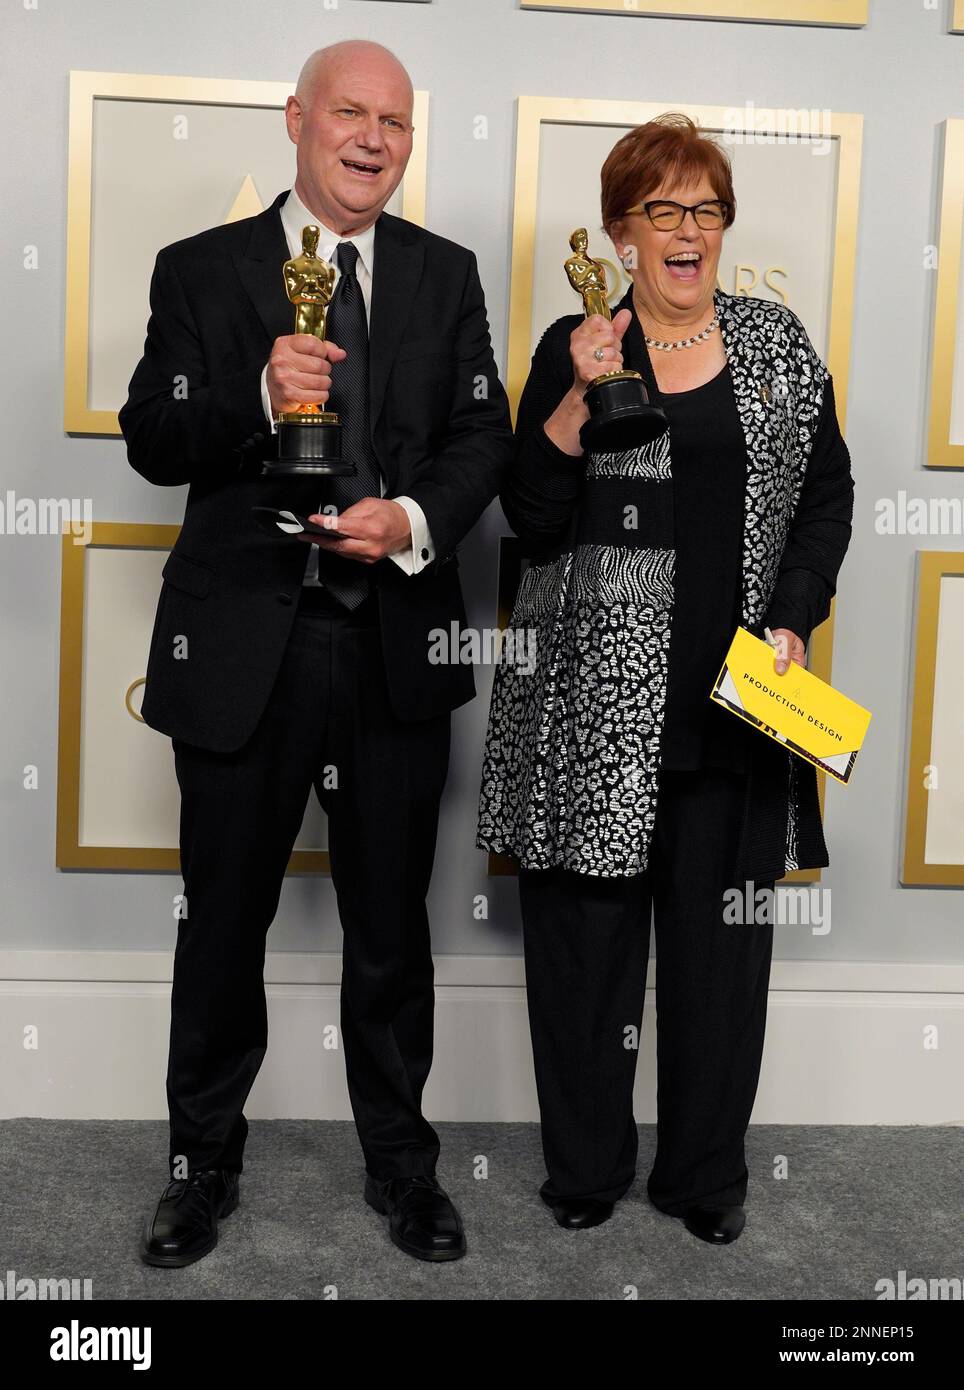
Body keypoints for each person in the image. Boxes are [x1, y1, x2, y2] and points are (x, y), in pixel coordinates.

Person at [121, 39, 513, 1267]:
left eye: (393, 120)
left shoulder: (446, 278)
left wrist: (411, 522)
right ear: (297, 119)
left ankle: (403, 1172)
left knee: (392, 930)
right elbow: (152, 436)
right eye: (350, 111)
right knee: (221, 924)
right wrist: (250, 387)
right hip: (249, 646)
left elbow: (480, 435)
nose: (371, 137)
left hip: (389, 636)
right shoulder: (202, 268)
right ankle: (198, 1172)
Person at [476, 113, 854, 1244]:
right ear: (619, 232)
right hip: (597, 707)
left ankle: (703, 1177)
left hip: (736, 708)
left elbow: (825, 499)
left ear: (722, 225)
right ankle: (584, 1170)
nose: (687, 231)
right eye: (662, 211)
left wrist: (792, 618)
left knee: (717, 963)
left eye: (705, 208)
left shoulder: (779, 345)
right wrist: (570, 404)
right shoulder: (577, 342)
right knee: (585, 954)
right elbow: (532, 523)